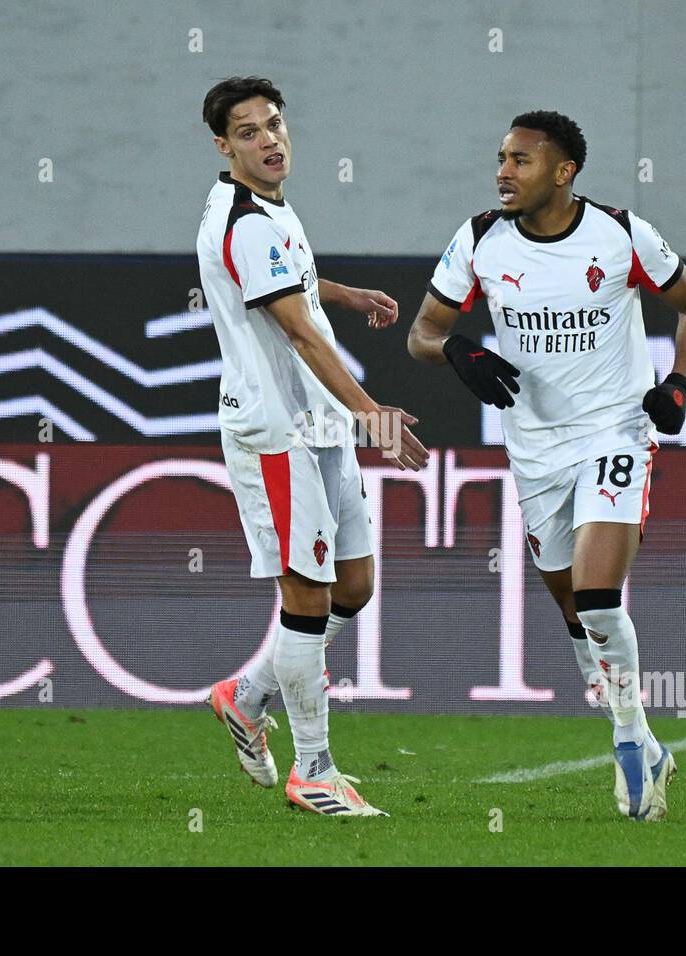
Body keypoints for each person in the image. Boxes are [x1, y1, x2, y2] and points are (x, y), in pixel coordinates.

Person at [407, 111, 686, 820]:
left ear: (563, 171)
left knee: (598, 593)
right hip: (534, 448)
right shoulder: (480, 239)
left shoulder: (621, 233)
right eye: (501, 159)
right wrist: (457, 352)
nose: (503, 172)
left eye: (520, 160)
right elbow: (425, 330)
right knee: (576, 615)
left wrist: (679, 382)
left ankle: (633, 743)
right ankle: (635, 732)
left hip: (615, 431)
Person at [196, 76, 428, 817]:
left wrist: (347, 295)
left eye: (274, 125)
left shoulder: (266, 208)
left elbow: (287, 286)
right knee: (305, 596)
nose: (269, 140)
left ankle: (246, 695)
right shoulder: (244, 221)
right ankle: (316, 771)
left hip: (318, 423)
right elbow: (291, 327)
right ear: (223, 145)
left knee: (351, 589)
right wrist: (373, 415)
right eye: (248, 131)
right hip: (277, 429)